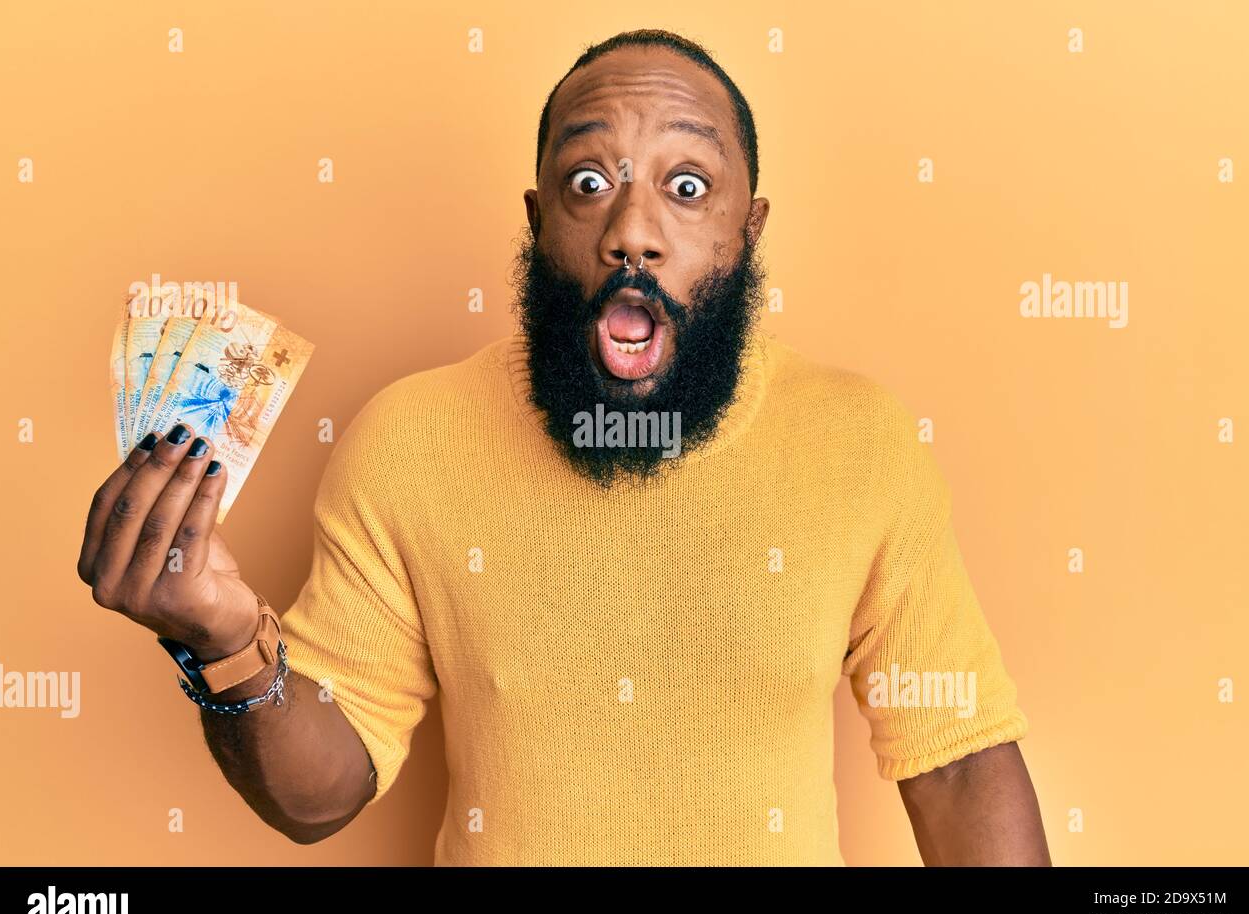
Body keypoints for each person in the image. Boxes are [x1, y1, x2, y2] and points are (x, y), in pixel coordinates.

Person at [78, 29, 1049, 865]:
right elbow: (320, 794)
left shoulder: (861, 443)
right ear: (540, 224)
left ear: (746, 232)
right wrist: (223, 637)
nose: (634, 230)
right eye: (591, 183)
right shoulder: (410, 439)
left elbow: (958, 762)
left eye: (686, 185)